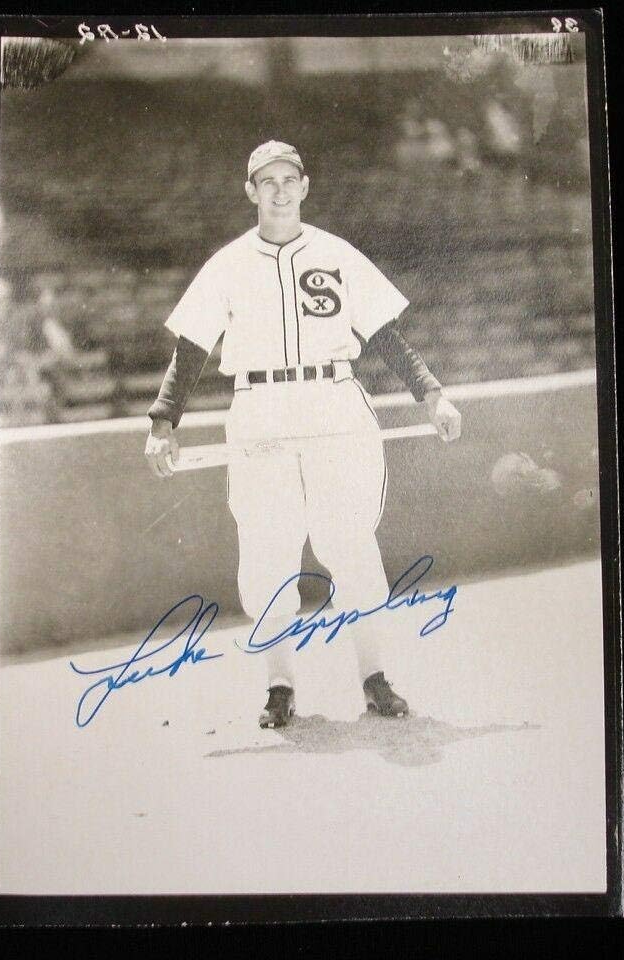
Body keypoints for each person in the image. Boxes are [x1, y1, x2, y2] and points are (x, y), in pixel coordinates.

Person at [144, 141, 461, 728]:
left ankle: (374, 676)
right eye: (267, 181)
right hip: (259, 406)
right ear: (251, 191)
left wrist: (432, 392)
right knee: (268, 551)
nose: (280, 190)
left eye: (289, 179)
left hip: (333, 401)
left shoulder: (337, 253)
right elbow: (190, 349)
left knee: (350, 546)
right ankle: (280, 685)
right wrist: (164, 423)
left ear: (305, 185)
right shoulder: (228, 264)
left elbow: (387, 336)